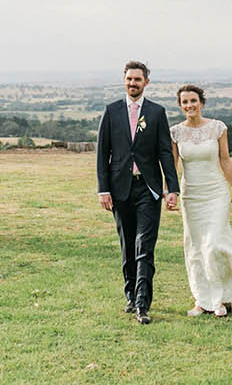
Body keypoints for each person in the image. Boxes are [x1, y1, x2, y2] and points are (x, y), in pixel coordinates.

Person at [96, 60, 180, 324]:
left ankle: (143, 303)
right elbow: (102, 154)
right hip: (120, 188)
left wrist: (172, 189)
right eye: (129, 79)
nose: (133, 83)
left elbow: (165, 152)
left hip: (148, 188)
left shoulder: (157, 112)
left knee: (145, 245)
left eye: (138, 79)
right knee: (128, 244)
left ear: (146, 82)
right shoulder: (112, 111)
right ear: (124, 80)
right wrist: (103, 189)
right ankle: (130, 295)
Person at [169, 84, 232, 317]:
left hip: (215, 193)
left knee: (214, 244)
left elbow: (225, 161)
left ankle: (225, 297)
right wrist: (170, 193)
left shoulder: (217, 128)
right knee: (196, 247)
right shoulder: (175, 132)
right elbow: (173, 167)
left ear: (201, 103)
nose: (189, 106)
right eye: (185, 102)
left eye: (193, 101)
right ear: (180, 106)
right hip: (191, 195)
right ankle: (202, 299)